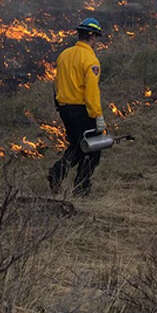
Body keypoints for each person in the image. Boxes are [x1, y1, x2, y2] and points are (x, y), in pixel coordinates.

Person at [47, 17, 106, 197]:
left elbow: (57, 83)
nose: (96, 41)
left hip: (65, 109)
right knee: (93, 148)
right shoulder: (90, 60)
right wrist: (97, 116)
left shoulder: (64, 55)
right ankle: (81, 187)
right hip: (82, 110)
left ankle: (58, 172)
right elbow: (91, 91)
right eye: (96, 37)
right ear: (92, 37)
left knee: (76, 144)